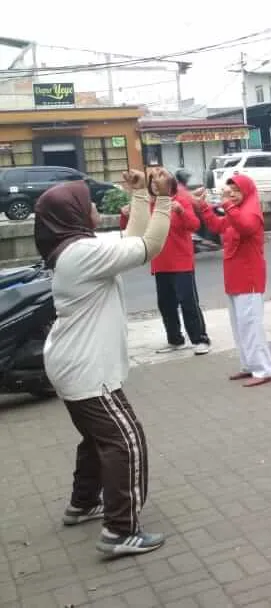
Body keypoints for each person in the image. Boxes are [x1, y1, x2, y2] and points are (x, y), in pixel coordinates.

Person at [36, 169, 176, 558]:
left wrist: (137, 196)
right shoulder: (83, 254)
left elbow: (132, 240)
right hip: (86, 368)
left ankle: (83, 504)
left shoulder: (77, 248)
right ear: (73, 215)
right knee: (125, 442)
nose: (94, 204)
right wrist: (163, 199)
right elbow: (149, 246)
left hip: (71, 363)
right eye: (86, 203)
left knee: (97, 439)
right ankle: (120, 531)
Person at [193, 174, 271, 387]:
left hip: (249, 277)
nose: (231, 194)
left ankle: (263, 369)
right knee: (239, 326)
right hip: (234, 276)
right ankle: (249, 366)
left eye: (236, 191)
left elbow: (246, 227)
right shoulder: (236, 211)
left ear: (246, 191)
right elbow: (217, 226)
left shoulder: (251, 212)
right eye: (229, 190)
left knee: (250, 325)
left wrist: (228, 204)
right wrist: (203, 207)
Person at [120, 171, 211, 355]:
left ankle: (200, 338)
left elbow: (194, 225)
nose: (155, 185)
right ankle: (175, 339)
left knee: (188, 302)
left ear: (170, 184)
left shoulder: (180, 200)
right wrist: (125, 214)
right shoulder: (149, 204)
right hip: (160, 263)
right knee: (166, 304)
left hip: (181, 263)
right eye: (152, 183)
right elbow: (130, 228)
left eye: (158, 182)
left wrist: (181, 211)